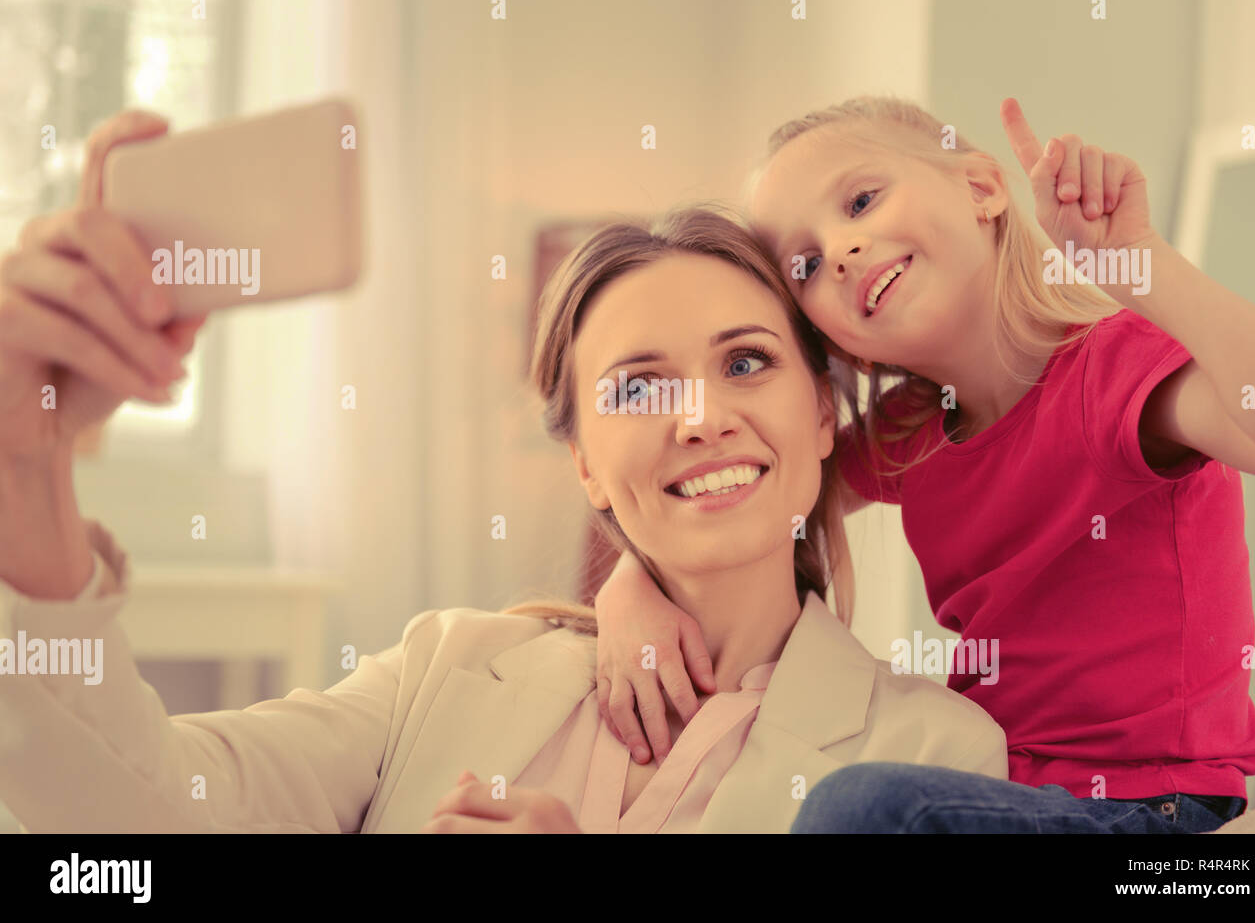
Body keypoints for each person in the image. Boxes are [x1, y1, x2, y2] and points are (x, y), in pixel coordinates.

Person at [0, 111, 1005, 832]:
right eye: (638, 386)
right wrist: (24, 461)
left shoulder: (934, 759)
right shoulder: (442, 672)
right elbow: (139, 809)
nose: (701, 418)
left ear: (824, 411)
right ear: (585, 469)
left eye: (745, 362)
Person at [592, 95, 1255, 833]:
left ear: (981, 188)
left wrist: (1136, 260)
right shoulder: (908, 434)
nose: (839, 251)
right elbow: (751, 492)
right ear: (832, 339)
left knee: (862, 805)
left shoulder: (1113, 372)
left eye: (862, 200)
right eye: (804, 264)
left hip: (1150, 808)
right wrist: (627, 582)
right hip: (991, 780)